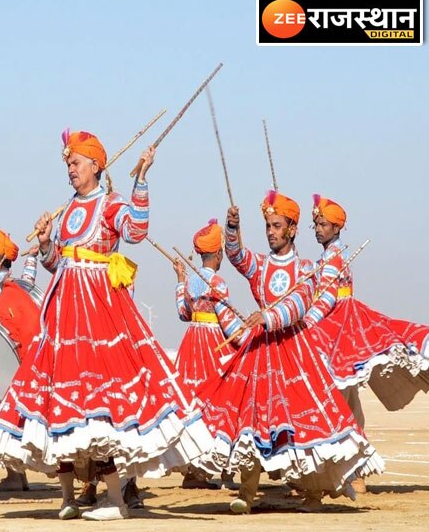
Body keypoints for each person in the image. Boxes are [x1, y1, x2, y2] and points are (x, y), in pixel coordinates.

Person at [0, 129, 211, 521]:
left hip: (99, 313)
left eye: (75, 163)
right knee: (63, 397)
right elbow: (58, 263)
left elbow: (136, 232)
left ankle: (117, 499)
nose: (70, 170)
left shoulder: (110, 204)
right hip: (64, 312)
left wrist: (141, 179)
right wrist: (44, 244)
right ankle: (68, 497)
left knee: (100, 399)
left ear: (95, 165)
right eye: (68, 164)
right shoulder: (69, 209)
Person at [192, 193, 383, 514]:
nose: (270, 231)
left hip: (295, 354)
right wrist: (232, 228)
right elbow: (238, 257)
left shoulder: (306, 269)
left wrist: (268, 317)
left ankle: (312, 493)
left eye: (276, 226)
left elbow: (298, 303)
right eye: (267, 226)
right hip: (261, 353)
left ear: (292, 230)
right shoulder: (262, 265)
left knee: (300, 420)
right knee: (252, 417)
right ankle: (247, 490)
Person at [302, 194, 429, 493]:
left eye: (324, 224)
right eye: (316, 224)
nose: (319, 229)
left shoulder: (333, 259)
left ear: (337, 228)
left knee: (342, 399)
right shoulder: (324, 259)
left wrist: (304, 323)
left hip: (342, 327)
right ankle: (339, 471)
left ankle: (353, 471)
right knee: (341, 399)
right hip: (331, 326)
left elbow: (328, 297)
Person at [172, 219, 246, 490]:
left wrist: (180, 281)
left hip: (192, 344)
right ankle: (224, 471)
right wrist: (247, 336)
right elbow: (228, 322)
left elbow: (183, 313)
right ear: (219, 254)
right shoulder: (219, 284)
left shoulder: (191, 281)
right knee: (220, 403)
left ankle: (193, 472)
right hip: (214, 344)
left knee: (193, 404)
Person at [0, 226, 37, 492]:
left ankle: (15, 476)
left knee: (5, 414)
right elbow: (29, 279)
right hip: (23, 356)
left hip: (6, 359)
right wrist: (33, 258)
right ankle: (18, 475)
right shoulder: (17, 283)